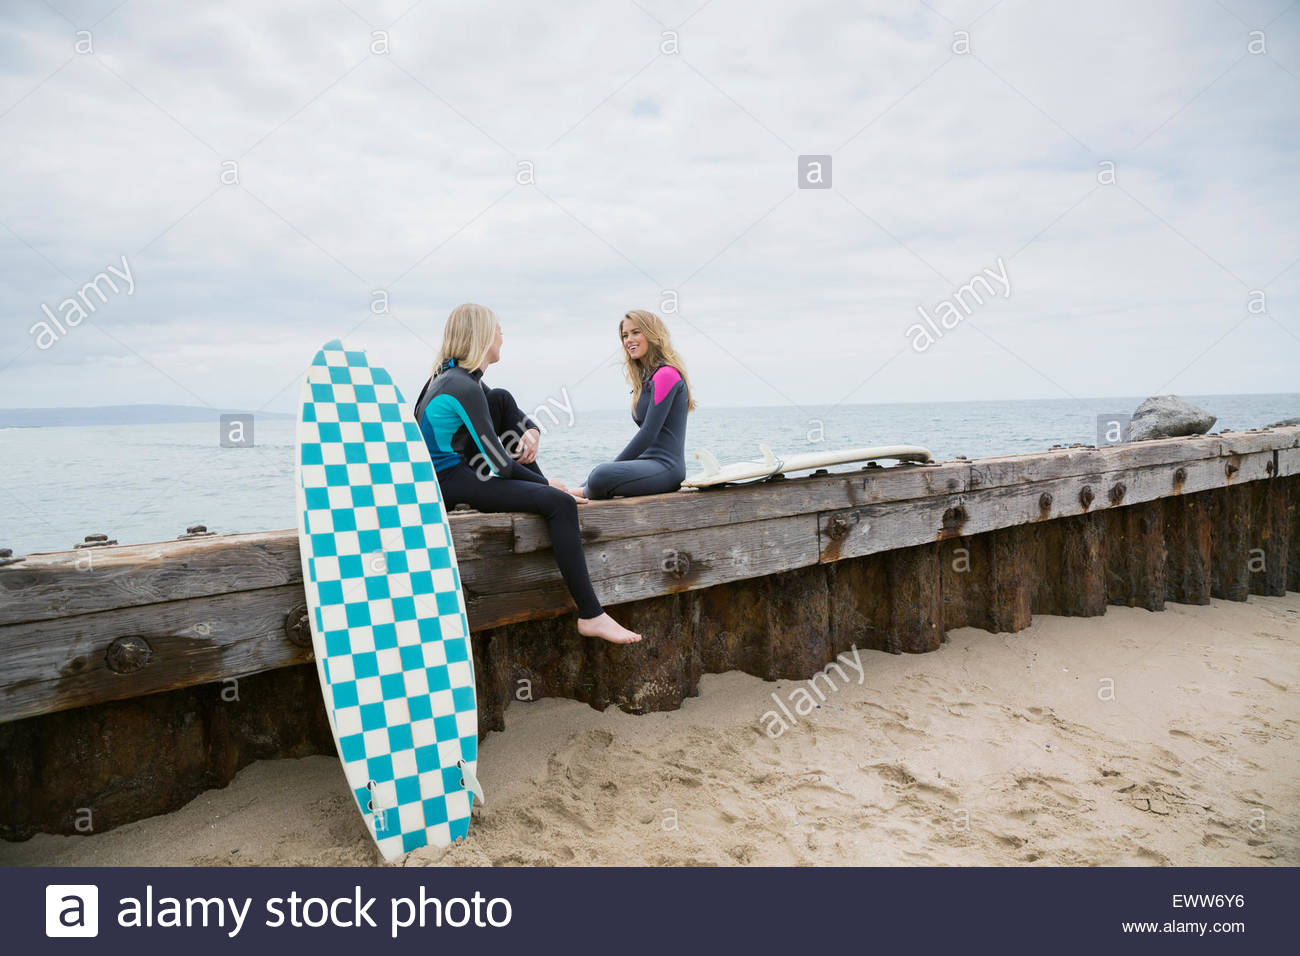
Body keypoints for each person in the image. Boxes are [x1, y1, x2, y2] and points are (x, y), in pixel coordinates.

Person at [413, 303, 642, 645]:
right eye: (498, 329)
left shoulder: (456, 378)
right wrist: (548, 486)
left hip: (453, 471)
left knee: (502, 398)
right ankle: (592, 615)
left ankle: (557, 493)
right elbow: (499, 465)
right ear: (482, 336)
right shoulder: (463, 387)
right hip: (447, 482)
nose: (502, 336)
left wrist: (531, 429)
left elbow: (503, 408)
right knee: (557, 505)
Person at [582, 310, 694, 500]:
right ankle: (582, 489)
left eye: (636, 332)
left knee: (600, 475)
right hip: (647, 463)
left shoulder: (666, 374)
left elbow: (648, 434)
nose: (628, 340)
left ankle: (579, 492)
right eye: (625, 335)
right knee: (600, 475)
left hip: (666, 467)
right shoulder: (645, 379)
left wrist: (596, 477)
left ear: (652, 334)